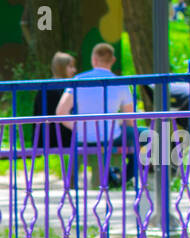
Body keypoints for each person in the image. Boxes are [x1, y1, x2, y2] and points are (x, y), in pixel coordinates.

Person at [56, 42, 136, 187]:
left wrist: (80, 128)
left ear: (93, 60)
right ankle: (122, 180)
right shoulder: (121, 83)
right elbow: (130, 119)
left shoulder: (78, 80)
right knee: (144, 137)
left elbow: (60, 112)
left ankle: (111, 178)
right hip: (110, 137)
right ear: (113, 60)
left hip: (82, 138)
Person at [36, 51, 76, 149]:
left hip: (47, 139)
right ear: (61, 68)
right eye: (70, 67)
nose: (74, 70)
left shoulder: (45, 88)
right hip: (58, 138)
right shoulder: (65, 90)